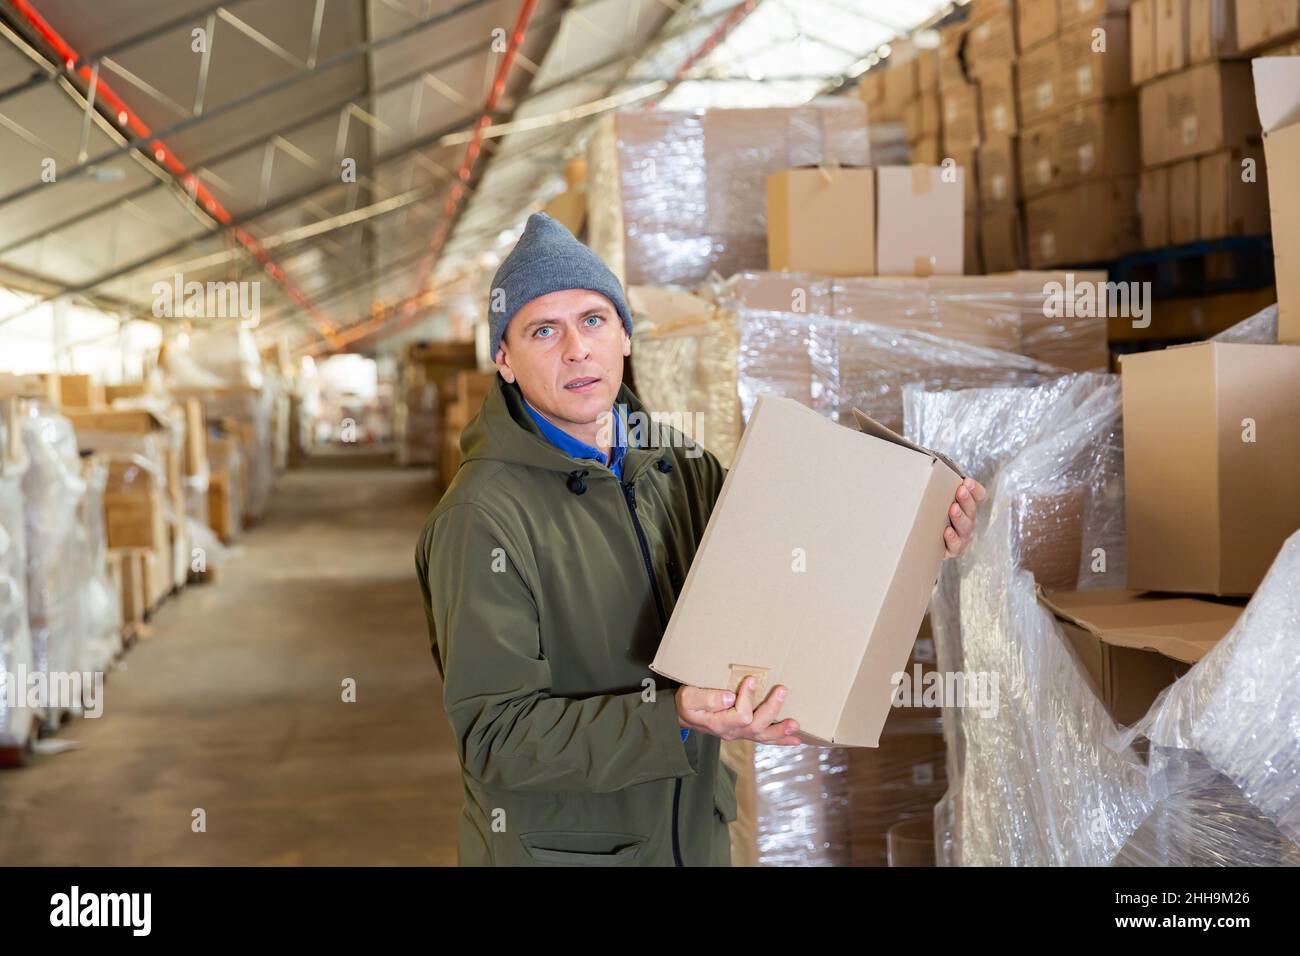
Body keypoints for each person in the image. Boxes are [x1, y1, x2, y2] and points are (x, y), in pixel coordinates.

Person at [415, 213, 984, 867]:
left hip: (691, 839)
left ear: (625, 336)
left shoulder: (677, 468)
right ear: (505, 361)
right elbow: (496, 736)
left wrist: (916, 536)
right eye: (544, 330)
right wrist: (676, 715)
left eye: (594, 320)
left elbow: (784, 574)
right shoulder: (481, 518)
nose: (577, 348)